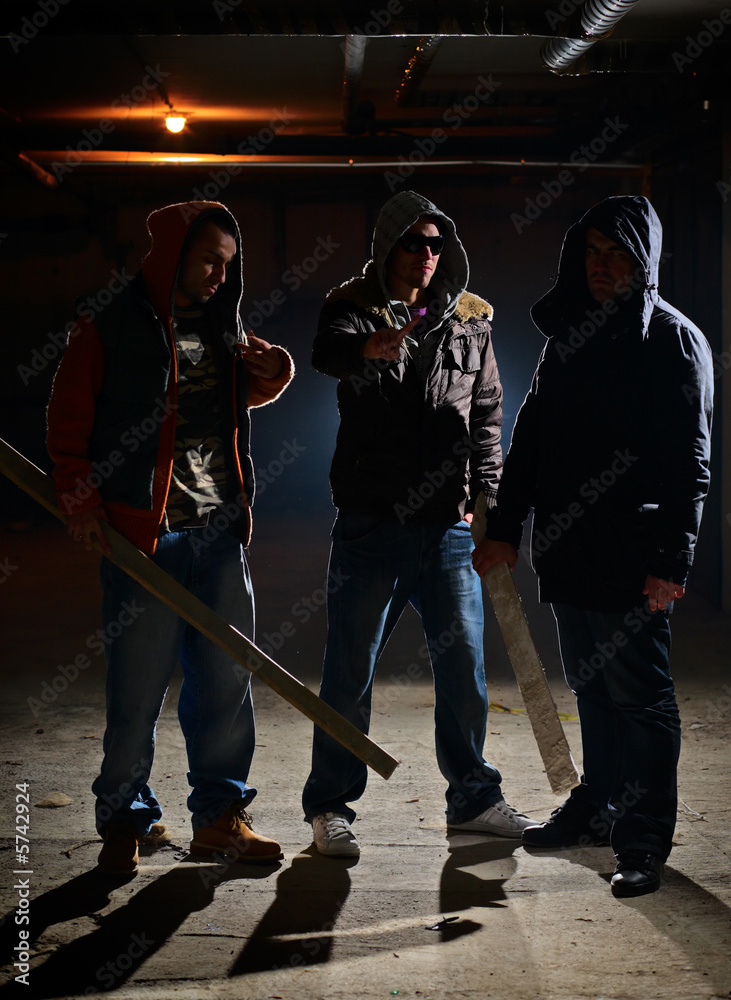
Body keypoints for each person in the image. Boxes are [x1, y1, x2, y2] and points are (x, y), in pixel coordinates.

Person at [473, 195, 714, 897]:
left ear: (644, 263)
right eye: (592, 252)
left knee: (640, 699)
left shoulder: (672, 340)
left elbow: (689, 463)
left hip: (633, 554)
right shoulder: (569, 335)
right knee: (592, 688)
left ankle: (642, 838)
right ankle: (598, 806)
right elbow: (532, 436)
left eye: (617, 254)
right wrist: (505, 527)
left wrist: (670, 562)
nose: (602, 266)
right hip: (569, 547)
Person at [47, 200, 294, 874]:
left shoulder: (222, 325)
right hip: (145, 539)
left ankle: (219, 818)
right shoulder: (109, 324)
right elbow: (69, 419)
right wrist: (80, 496)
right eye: (209, 260)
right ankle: (125, 820)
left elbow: (233, 400)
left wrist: (272, 370)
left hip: (219, 532)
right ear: (173, 256)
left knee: (225, 685)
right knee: (137, 692)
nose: (219, 275)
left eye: (227, 265)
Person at [302, 190, 532, 857]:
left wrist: (488, 501)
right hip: (372, 524)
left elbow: (486, 412)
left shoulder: (471, 317)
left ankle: (474, 800)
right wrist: (368, 347)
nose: (426, 255)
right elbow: (327, 352)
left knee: (463, 668)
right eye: (412, 242)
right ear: (386, 245)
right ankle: (329, 807)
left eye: (435, 244)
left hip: (449, 528)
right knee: (349, 671)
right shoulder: (351, 305)